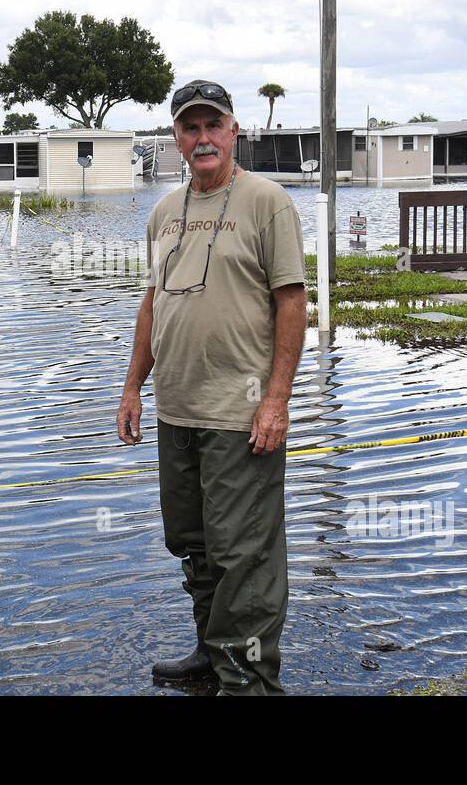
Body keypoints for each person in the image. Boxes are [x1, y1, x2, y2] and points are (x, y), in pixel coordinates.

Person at [117, 79, 307, 695]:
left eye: (212, 125)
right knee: (194, 543)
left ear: (233, 131)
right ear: (176, 137)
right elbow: (153, 304)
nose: (202, 138)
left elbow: (292, 302)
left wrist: (277, 399)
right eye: (190, 127)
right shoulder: (164, 213)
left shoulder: (266, 201)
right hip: (177, 409)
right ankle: (212, 651)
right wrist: (131, 390)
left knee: (242, 558)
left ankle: (249, 682)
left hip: (241, 412)